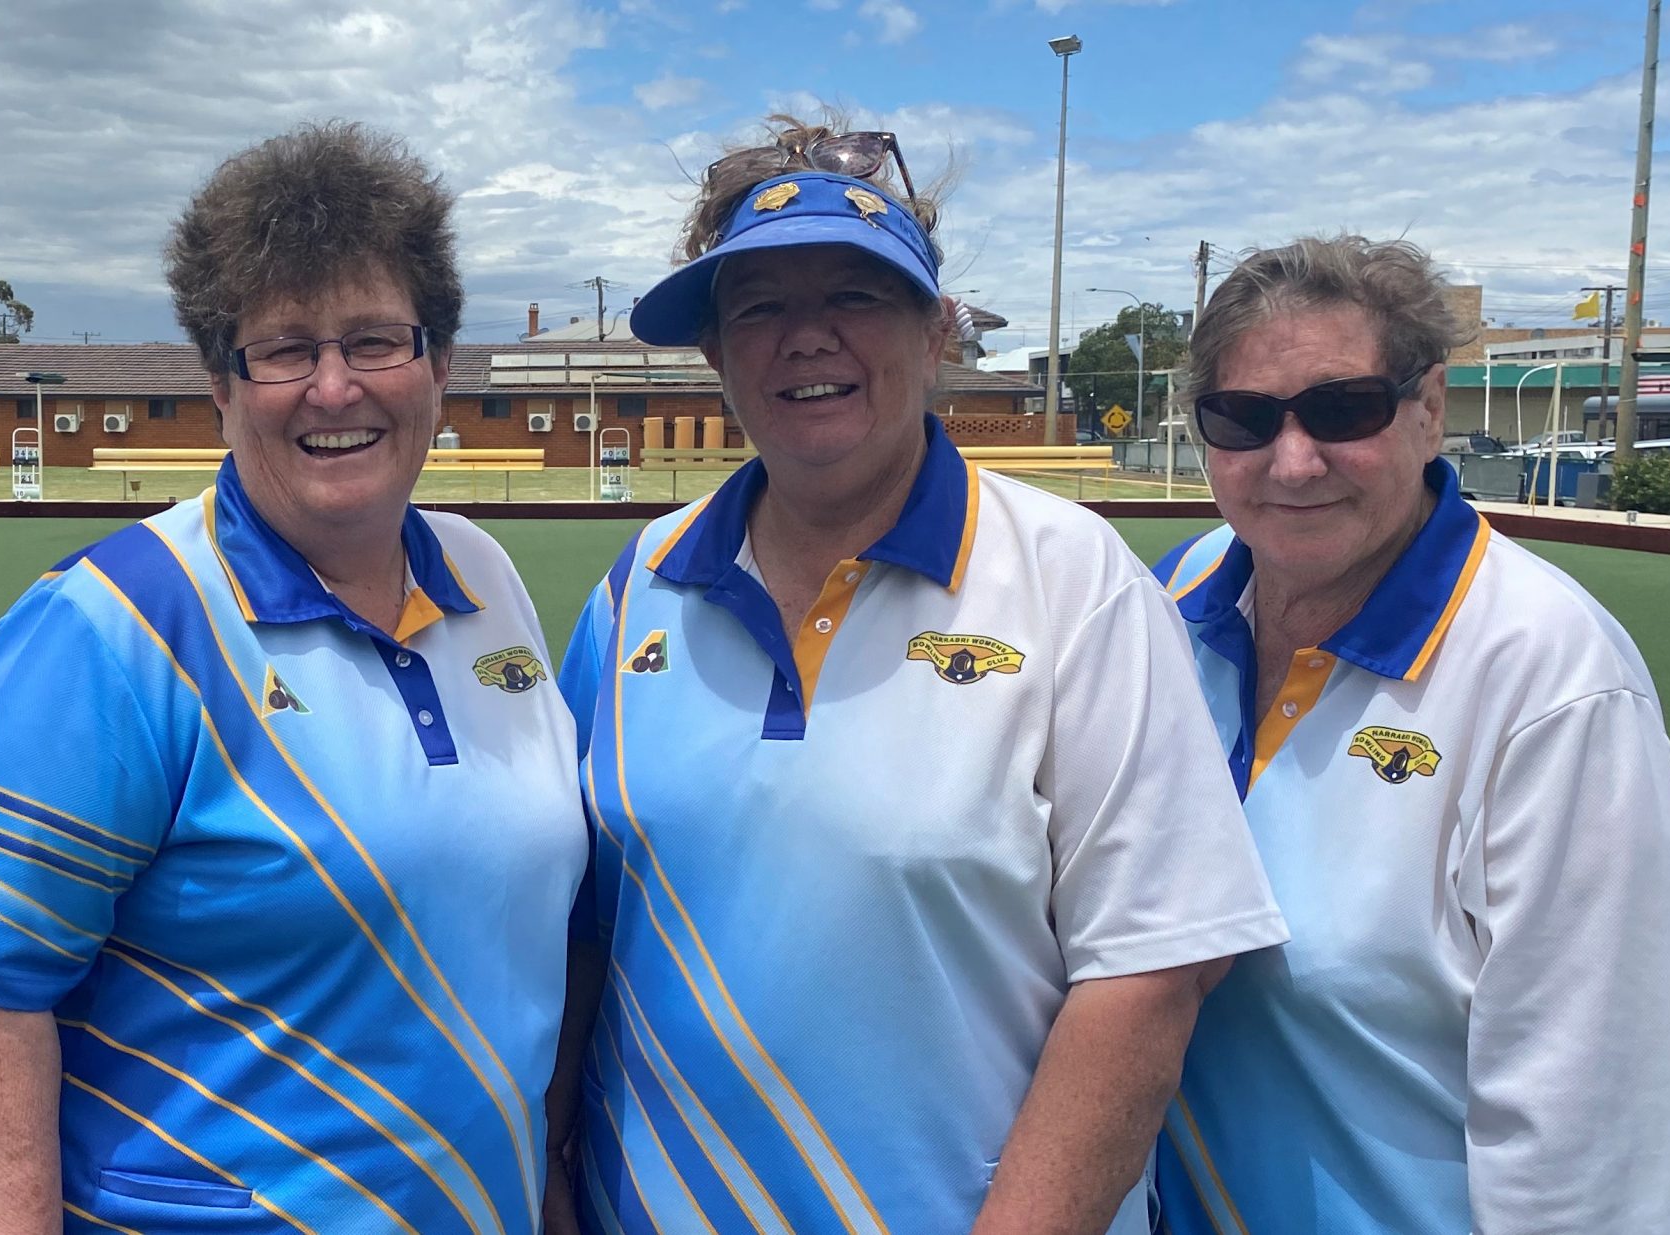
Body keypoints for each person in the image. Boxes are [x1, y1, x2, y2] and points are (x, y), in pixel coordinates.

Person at [548, 118, 1287, 1234]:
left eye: (855, 295)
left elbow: (1155, 970)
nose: (807, 339)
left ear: (935, 330)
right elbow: (581, 935)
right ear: (714, 352)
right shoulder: (633, 590)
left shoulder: (1068, 576)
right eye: (757, 307)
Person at [0, 122, 588, 1234]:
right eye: (285, 347)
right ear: (221, 378)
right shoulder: (110, 625)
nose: (335, 386)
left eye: (374, 339)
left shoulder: (484, 577)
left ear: (440, 363)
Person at [1152, 235, 1670, 1235]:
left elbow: (1593, 1117)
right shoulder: (1179, 594)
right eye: (1241, 417)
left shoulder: (1549, 673)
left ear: (1430, 408)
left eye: (1341, 409)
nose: (1291, 460)